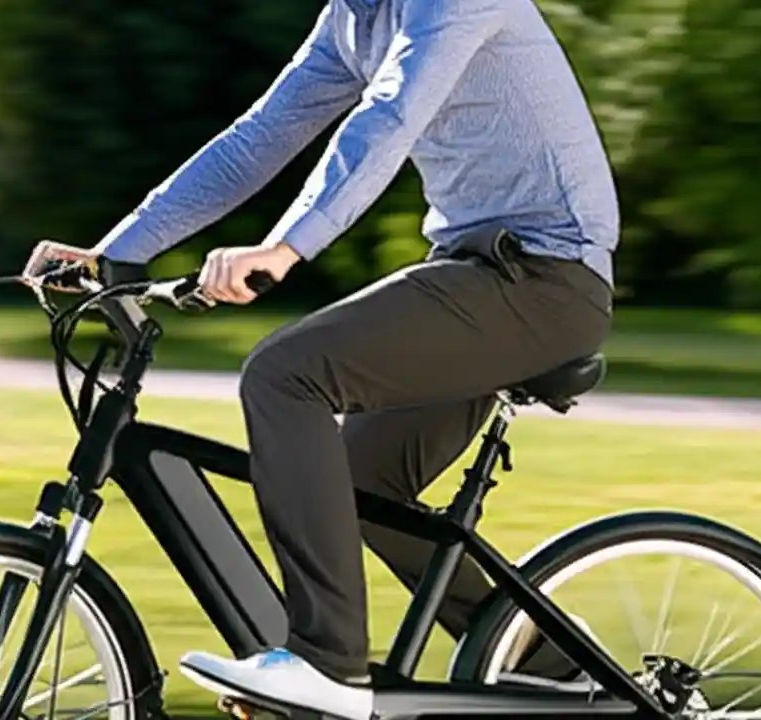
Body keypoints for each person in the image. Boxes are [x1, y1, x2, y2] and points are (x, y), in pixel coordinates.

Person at [30, 0, 617, 715]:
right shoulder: (354, 17)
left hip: (547, 280)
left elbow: (389, 119)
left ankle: (327, 663)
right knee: (359, 487)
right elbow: (258, 139)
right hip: (473, 271)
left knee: (286, 376)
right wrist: (117, 254)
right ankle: (556, 660)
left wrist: (285, 247)